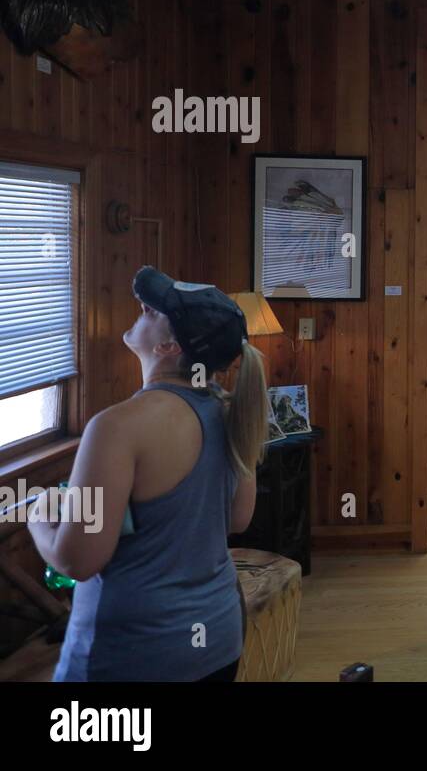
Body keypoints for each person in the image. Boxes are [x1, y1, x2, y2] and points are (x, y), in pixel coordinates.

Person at [28, 266, 267, 681]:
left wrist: (38, 515)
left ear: (169, 347)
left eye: (155, 310)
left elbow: (77, 560)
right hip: (218, 640)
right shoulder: (231, 411)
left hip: (133, 656)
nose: (143, 306)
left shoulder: (116, 427)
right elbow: (237, 518)